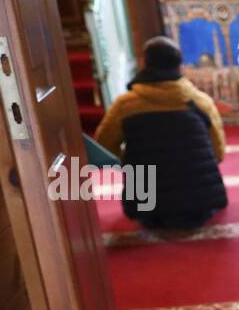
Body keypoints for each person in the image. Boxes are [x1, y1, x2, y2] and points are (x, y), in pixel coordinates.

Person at [94, 36, 228, 229]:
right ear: (180, 66)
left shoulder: (125, 105)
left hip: (147, 205)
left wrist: (131, 161)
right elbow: (218, 152)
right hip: (200, 200)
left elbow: (104, 147)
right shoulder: (201, 102)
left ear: (143, 63)